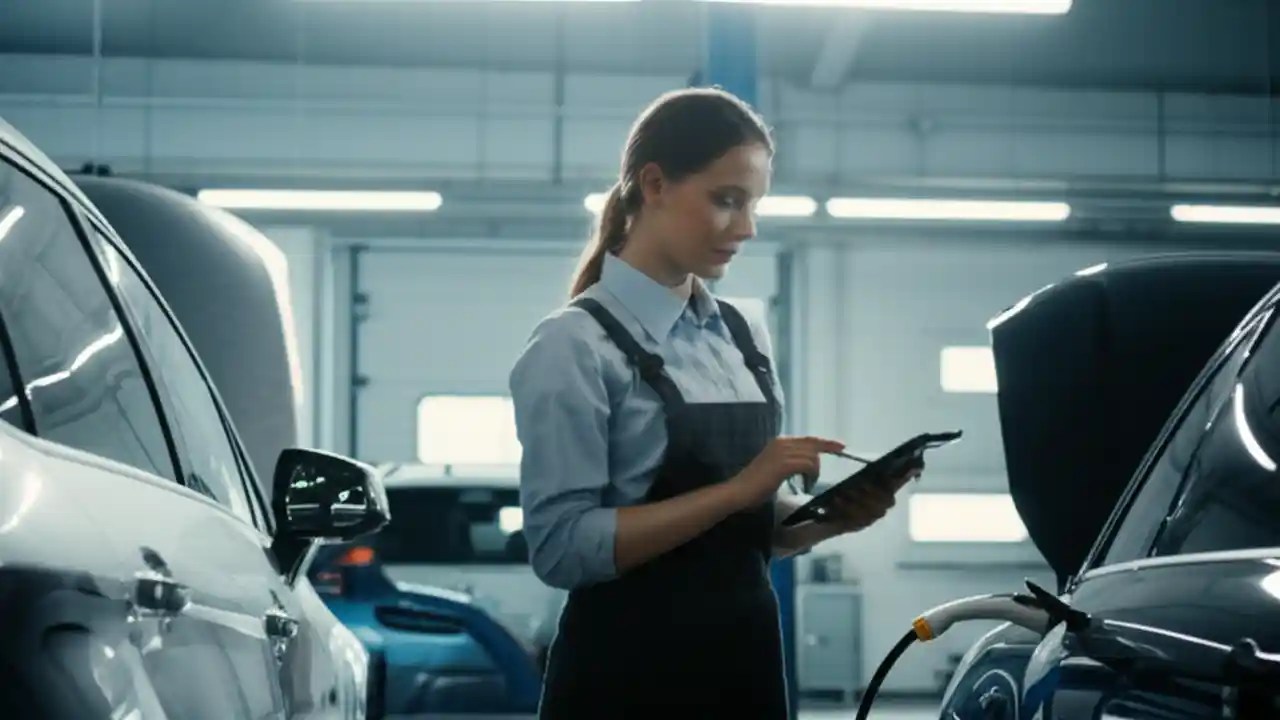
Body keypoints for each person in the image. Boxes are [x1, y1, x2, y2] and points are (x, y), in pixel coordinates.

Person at [509, 87, 921, 718]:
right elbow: (562, 548)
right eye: (726, 200)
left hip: (744, 670)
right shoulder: (574, 345)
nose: (748, 227)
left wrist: (830, 518)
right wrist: (739, 489)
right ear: (654, 184)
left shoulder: (740, 331)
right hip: (625, 684)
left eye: (754, 204)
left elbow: (741, 535)